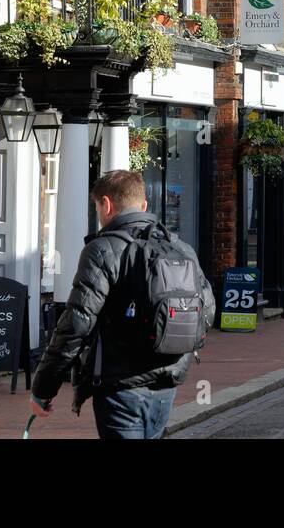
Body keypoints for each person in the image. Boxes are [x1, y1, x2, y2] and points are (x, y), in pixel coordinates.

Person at [29, 169, 214, 439]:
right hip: (167, 381)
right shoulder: (181, 249)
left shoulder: (103, 249)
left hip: (120, 386)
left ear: (106, 204)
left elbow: (76, 325)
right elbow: (207, 311)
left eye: (97, 207)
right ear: (143, 205)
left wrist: (43, 389)